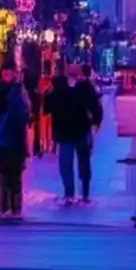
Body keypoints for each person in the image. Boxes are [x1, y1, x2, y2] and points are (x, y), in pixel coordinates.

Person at [48, 65, 102, 204]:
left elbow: (48, 106)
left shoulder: (58, 87)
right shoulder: (85, 87)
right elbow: (95, 106)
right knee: (83, 162)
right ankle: (83, 193)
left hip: (66, 131)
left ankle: (70, 193)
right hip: (81, 130)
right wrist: (97, 121)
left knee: (67, 164)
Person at [0, 67, 31, 219]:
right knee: (4, 174)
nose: (6, 75)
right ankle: (6, 206)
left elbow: (25, 113)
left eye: (9, 72)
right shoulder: (2, 91)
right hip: (4, 138)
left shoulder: (18, 91)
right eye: (4, 72)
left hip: (12, 138)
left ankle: (12, 207)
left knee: (12, 175)